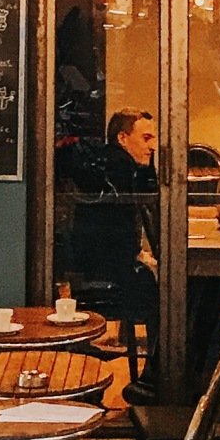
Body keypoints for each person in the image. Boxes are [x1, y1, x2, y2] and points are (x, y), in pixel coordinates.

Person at [65, 110, 162, 364]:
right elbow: (117, 234)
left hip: (89, 266)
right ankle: (159, 373)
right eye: (146, 138)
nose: (152, 146)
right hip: (107, 272)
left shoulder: (113, 164)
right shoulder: (120, 168)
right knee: (172, 295)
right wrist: (141, 259)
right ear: (122, 138)